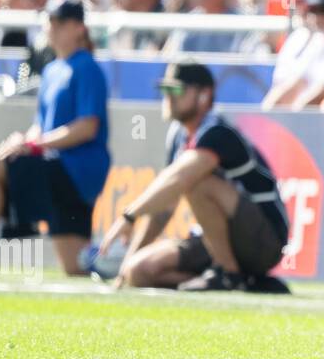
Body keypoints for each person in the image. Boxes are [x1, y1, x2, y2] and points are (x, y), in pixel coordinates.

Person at [0, 0, 109, 276]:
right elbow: (41, 126)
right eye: (50, 21)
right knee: (75, 267)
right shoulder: (54, 69)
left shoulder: (86, 67)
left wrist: (34, 143)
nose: (52, 28)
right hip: (58, 169)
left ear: (78, 28)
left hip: (76, 171)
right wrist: (22, 141)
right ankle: (115, 263)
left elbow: (87, 127)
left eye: (60, 22)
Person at [102, 62, 289, 292]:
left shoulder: (217, 133)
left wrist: (129, 216)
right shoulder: (178, 136)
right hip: (217, 240)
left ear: (204, 95)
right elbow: (164, 207)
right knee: (138, 272)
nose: (168, 97)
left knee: (198, 183)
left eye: (177, 90)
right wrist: (127, 263)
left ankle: (228, 274)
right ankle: (243, 281)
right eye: (165, 90)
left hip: (264, 240)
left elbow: (178, 180)